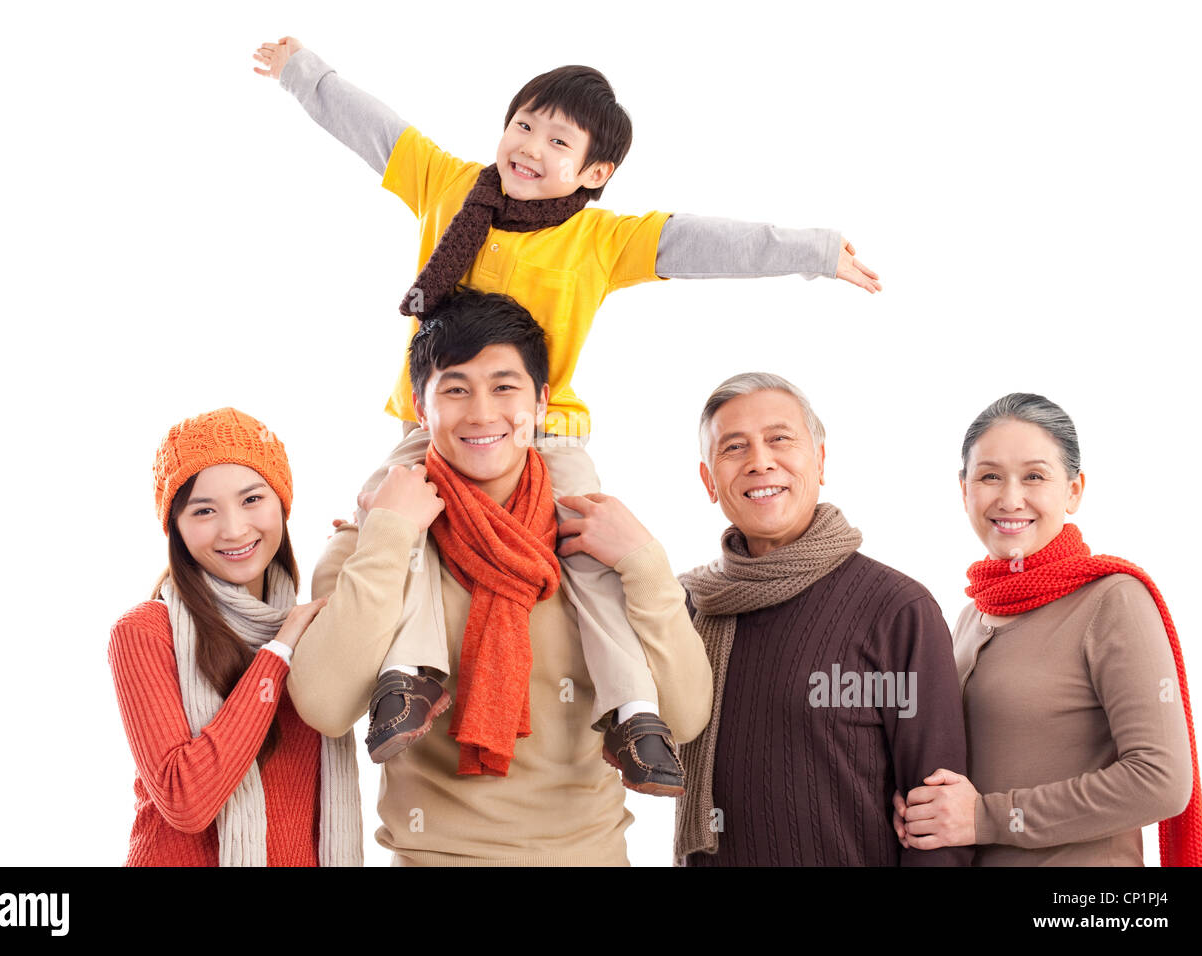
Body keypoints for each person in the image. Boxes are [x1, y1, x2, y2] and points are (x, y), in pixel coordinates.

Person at [252, 36, 879, 790]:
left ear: (594, 172)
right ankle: (411, 674)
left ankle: (633, 711)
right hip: (431, 425)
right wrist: (299, 70)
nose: (530, 147)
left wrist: (815, 250)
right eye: (523, 124)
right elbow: (372, 127)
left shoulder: (601, 240)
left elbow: (707, 243)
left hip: (549, 433)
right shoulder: (449, 186)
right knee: (387, 520)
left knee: (588, 549)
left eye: (558, 141)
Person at [288, 291, 713, 865]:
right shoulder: (372, 538)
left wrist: (646, 565)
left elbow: (684, 719)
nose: (483, 413)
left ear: (540, 403)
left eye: (504, 387)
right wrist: (387, 536)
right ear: (421, 406)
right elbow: (324, 704)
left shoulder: (597, 540)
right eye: (455, 388)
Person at [892, 393, 1202, 866]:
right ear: (964, 491)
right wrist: (922, 809)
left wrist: (985, 818)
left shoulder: (1112, 600)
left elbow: (1161, 781)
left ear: (1074, 491)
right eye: (989, 476)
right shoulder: (971, 616)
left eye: (1034, 476)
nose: (1009, 497)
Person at [676, 372, 971, 866]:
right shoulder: (688, 606)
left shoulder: (897, 609)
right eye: (734, 448)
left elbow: (940, 820)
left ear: (820, 460)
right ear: (709, 480)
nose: (760, 461)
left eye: (779, 439)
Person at [108, 408, 361, 866]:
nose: (235, 529)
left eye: (251, 500)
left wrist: (366, 556)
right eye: (204, 510)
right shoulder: (145, 631)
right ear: (177, 529)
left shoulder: (311, 629)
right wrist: (277, 653)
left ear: (281, 504)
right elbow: (186, 800)